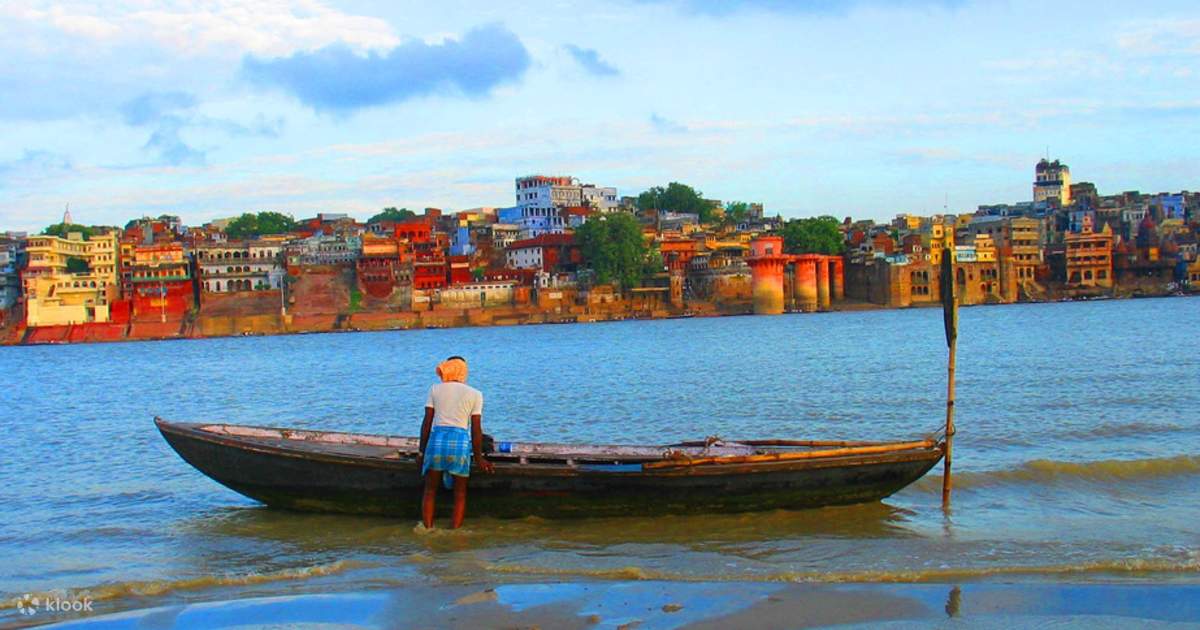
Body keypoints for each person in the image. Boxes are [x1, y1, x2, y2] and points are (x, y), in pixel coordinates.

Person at [417, 356, 494, 529]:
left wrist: (421, 453)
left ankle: (428, 528)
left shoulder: (435, 390)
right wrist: (479, 458)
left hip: (437, 441)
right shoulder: (475, 394)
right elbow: (476, 429)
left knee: (430, 491)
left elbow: (427, 423)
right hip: (460, 442)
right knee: (459, 494)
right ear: (463, 372)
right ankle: (454, 530)